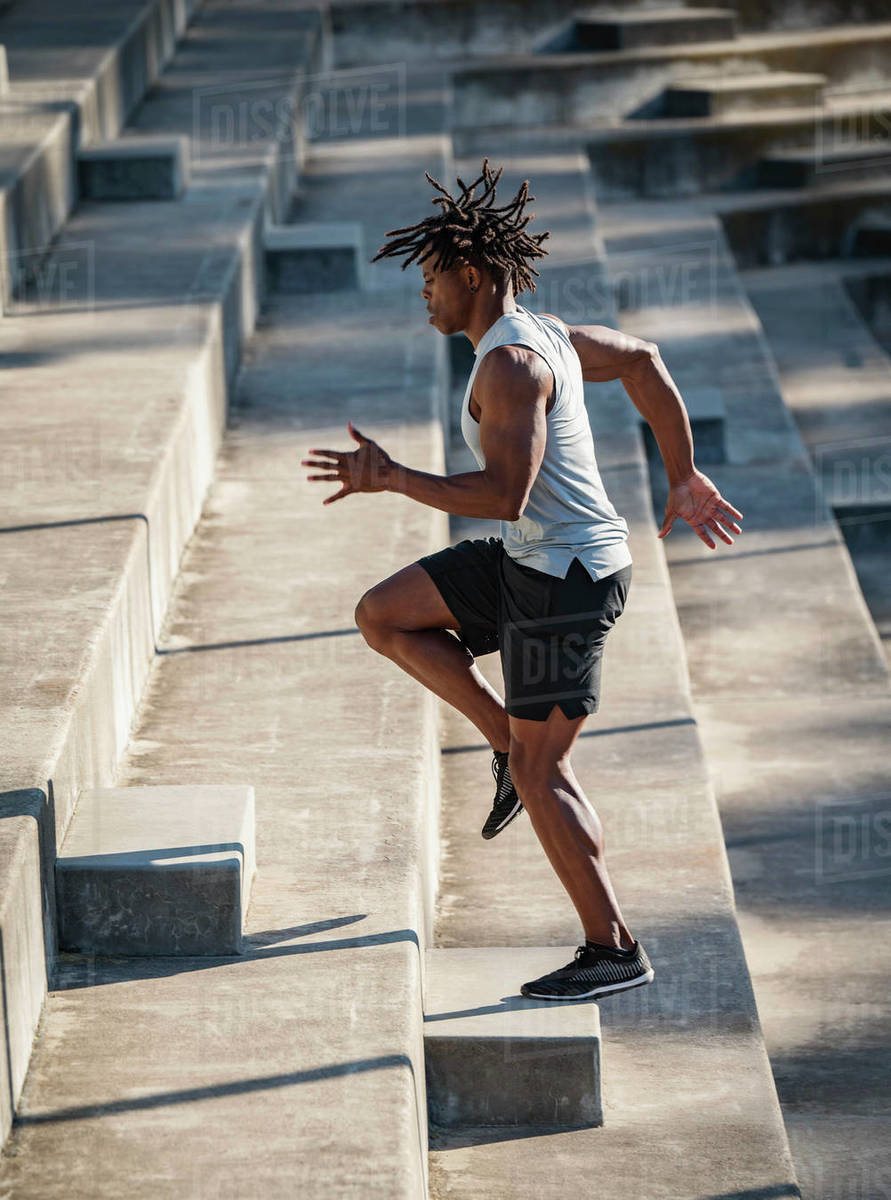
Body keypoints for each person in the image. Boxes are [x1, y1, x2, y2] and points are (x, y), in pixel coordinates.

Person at [301, 159, 743, 1001]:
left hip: (564, 584)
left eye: (430, 280)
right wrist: (680, 475)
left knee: (547, 776)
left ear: (470, 275)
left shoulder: (512, 367)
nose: (423, 295)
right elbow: (644, 361)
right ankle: (504, 739)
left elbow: (503, 495)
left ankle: (612, 947)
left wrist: (392, 476)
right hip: (532, 560)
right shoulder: (547, 334)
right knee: (384, 615)